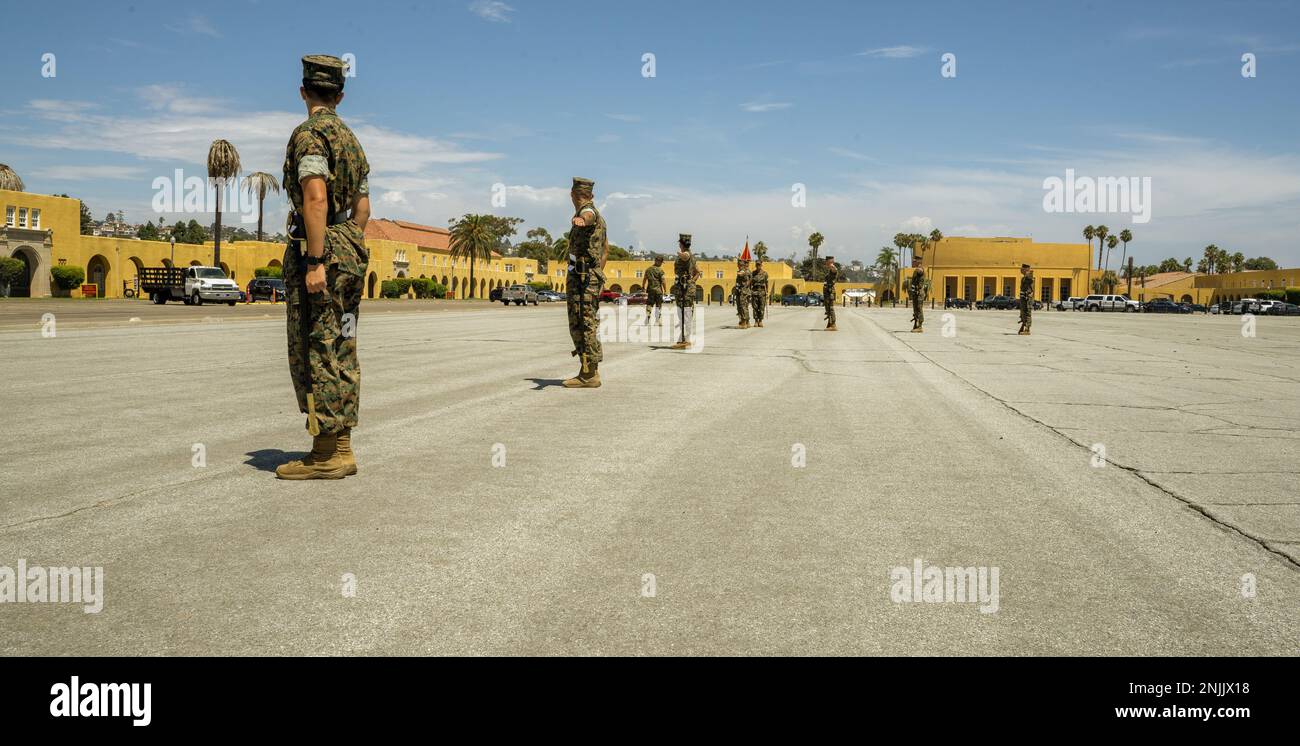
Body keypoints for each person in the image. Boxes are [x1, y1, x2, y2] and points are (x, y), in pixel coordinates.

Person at [276, 55, 371, 480]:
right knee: (342, 346)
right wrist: (346, 240)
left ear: (303, 92)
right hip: (349, 249)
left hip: (321, 252)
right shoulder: (352, 141)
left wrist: (316, 259)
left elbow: (315, 197)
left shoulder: (310, 135)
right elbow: (363, 209)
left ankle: (325, 453)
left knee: (316, 347)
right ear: (340, 96)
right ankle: (342, 444)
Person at [564, 177, 608, 387]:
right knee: (585, 323)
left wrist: (583, 220)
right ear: (591, 194)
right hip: (587, 276)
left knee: (583, 323)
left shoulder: (587, 213)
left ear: (573, 195)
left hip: (583, 280)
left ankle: (589, 374)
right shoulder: (601, 219)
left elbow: (587, 215)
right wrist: (597, 270)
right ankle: (588, 370)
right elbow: (606, 250)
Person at [671, 234, 700, 349]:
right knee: (682, 313)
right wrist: (692, 281)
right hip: (681, 287)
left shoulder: (687, 254)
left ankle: (686, 339)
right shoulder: (692, 256)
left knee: (686, 313)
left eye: (680, 243)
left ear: (682, 244)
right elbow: (698, 271)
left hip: (685, 288)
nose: (679, 245)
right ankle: (682, 338)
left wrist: (689, 282)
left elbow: (685, 257)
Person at [643, 255, 666, 324]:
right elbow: (663, 281)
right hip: (658, 290)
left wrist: (643, 286)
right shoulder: (660, 270)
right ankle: (658, 320)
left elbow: (644, 279)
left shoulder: (648, 269)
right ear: (658, 262)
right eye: (661, 262)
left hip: (650, 290)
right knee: (658, 305)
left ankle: (648, 315)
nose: (661, 264)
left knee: (649, 304)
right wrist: (665, 290)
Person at [734, 247, 752, 328]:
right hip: (741, 291)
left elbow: (741, 274)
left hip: (743, 292)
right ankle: (746, 322)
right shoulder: (746, 271)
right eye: (739, 264)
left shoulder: (743, 271)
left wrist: (740, 272)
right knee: (743, 307)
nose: (739, 266)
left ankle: (744, 322)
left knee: (742, 306)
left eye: (740, 264)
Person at [909, 257, 927, 333]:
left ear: (918, 262)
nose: (912, 263)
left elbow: (920, 272)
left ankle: (920, 326)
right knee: (915, 309)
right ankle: (916, 325)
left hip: (919, 292)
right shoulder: (917, 270)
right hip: (915, 293)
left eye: (913, 261)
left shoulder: (920, 269)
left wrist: (918, 269)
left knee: (919, 309)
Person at [750, 257, 769, 327]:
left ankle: (760, 321)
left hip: (762, 292)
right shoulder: (753, 273)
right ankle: (756, 321)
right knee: (755, 307)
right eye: (757, 265)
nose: (758, 266)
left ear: (761, 265)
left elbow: (767, 283)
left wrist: (767, 292)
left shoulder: (765, 274)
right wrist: (750, 292)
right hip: (754, 291)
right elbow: (750, 283)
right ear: (755, 265)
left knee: (761, 307)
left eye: (759, 265)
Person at [1018, 263, 1034, 335]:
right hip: (1023, 296)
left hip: (1027, 297)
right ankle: (1023, 325)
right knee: (1023, 312)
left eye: (1022, 269)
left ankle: (1027, 328)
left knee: (1027, 312)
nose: (1020, 270)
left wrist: (1029, 272)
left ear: (1026, 269)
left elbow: (1031, 280)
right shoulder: (1023, 278)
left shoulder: (1029, 276)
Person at [823, 256, 837, 331]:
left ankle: (833, 324)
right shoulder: (829, 272)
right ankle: (829, 323)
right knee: (827, 309)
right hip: (827, 293)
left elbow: (835, 270)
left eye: (827, 262)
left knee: (830, 308)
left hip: (830, 292)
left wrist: (832, 266)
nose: (826, 263)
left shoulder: (832, 270)